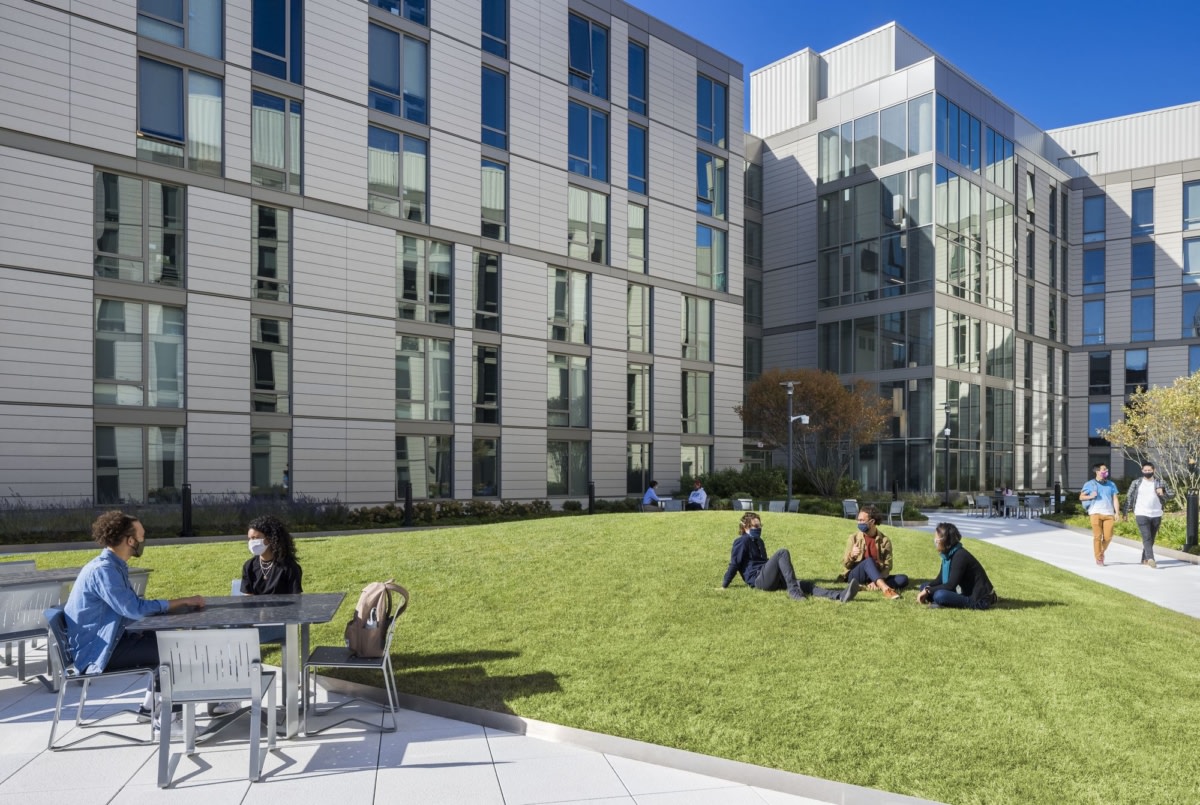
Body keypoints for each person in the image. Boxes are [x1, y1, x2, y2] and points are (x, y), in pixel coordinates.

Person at [65, 511, 206, 733]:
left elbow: (130, 609)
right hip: (98, 653)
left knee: (166, 639)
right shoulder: (104, 570)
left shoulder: (112, 565)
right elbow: (134, 610)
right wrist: (181, 601)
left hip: (104, 642)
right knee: (176, 651)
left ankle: (149, 709)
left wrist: (172, 607)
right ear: (130, 540)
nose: (143, 540)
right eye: (141, 535)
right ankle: (172, 722)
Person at [209, 515, 304, 717]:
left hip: (280, 625)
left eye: (256, 538)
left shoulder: (289, 568)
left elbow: (295, 606)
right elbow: (247, 604)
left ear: (269, 539)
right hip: (253, 625)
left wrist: (268, 613)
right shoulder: (249, 566)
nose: (252, 542)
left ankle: (235, 695)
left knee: (235, 635)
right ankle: (248, 673)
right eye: (249, 538)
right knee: (228, 632)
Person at [721, 513, 860, 603]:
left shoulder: (759, 541)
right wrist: (724, 585)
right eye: (755, 526)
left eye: (760, 525)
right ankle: (793, 591)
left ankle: (840, 595)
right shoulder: (741, 541)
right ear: (746, 527)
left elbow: (765, 563)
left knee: (806, 585)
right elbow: (734, 564)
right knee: (782, 552)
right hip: (758, 580)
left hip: (770, 578)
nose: (759, 528)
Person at [916, 522, 997, 610]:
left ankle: (940, 600)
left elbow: (950, 585)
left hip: (978, 598)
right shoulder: (947, 555)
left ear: (944, 540)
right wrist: (927, 588)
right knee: (924, 586)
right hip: (962, 591)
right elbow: (940, 579)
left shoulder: (960, 556)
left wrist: (928, 590)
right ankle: (941, 601)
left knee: (940, 595)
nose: (935, 540)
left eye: (937, 538)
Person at [838, 505, 909, 600]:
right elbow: (846, 565)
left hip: (875, 576)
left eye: (862, 520)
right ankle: (886, 589)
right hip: (856, 575)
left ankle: (868, 587)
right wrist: (852, 555)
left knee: (903, 579)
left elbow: (888, 566)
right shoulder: (853, 538)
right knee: (869, 561)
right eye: (858, 520)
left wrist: (878, 579)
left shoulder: (885, 541)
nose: (859, 523)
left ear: (872, 522)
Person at [1124, 461, 1167, 569]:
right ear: (1142, 470)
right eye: (1145, 470)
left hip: (1156, 513)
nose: (1147, 472)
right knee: (1146, 536)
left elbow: (1172, 495)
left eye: (1149, 470)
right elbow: (1129, 497)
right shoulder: (1136, 482)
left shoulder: (1160, 482)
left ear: (1154, 470)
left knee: (1151, 538)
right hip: (1141, 513)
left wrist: (1163, 492)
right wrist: (1125, 512)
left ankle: (1145, 558)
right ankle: (1151, 558)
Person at [1080, 463, 1120, 566]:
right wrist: (1090, 496)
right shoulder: (1090, 484)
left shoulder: (1111, 484)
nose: (1106, 471)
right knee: (1097, 536)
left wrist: (1117, 512)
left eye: (1106, 469)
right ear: (1097, 471)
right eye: (1104, 469)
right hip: (1095, 513)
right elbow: (1081, 497)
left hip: (1109, 514)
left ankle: (1101, 552)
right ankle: (1099, 558)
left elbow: (1115, 499)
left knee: (1108, 537)